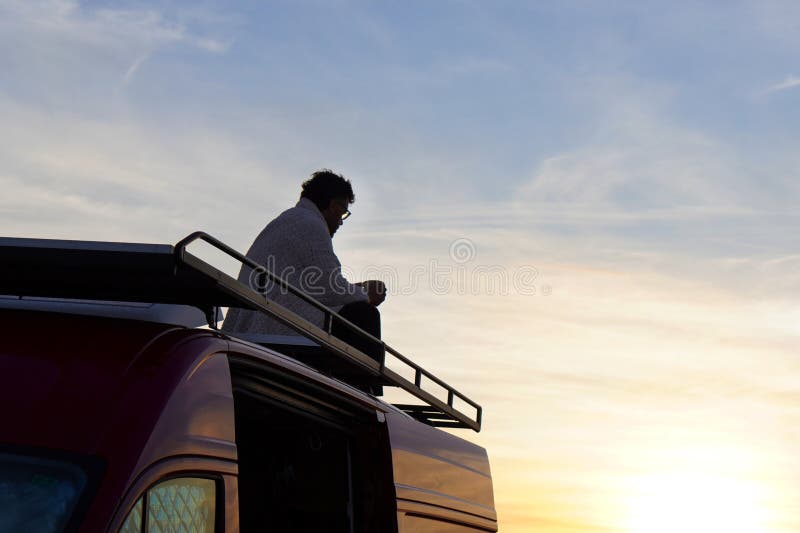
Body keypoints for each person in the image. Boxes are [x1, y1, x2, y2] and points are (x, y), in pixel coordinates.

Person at [222, 169, 386, 366]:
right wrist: (366, 294)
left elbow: (314, 284)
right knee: (363, 314)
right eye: (343, 212)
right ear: (333, 206)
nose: (341, 221)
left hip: (252, 324)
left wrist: (357, 288)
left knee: (356, 309)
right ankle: (361, 387)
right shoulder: (311, 225)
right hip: (273, 328)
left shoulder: (287, 221)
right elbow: (331, 288)